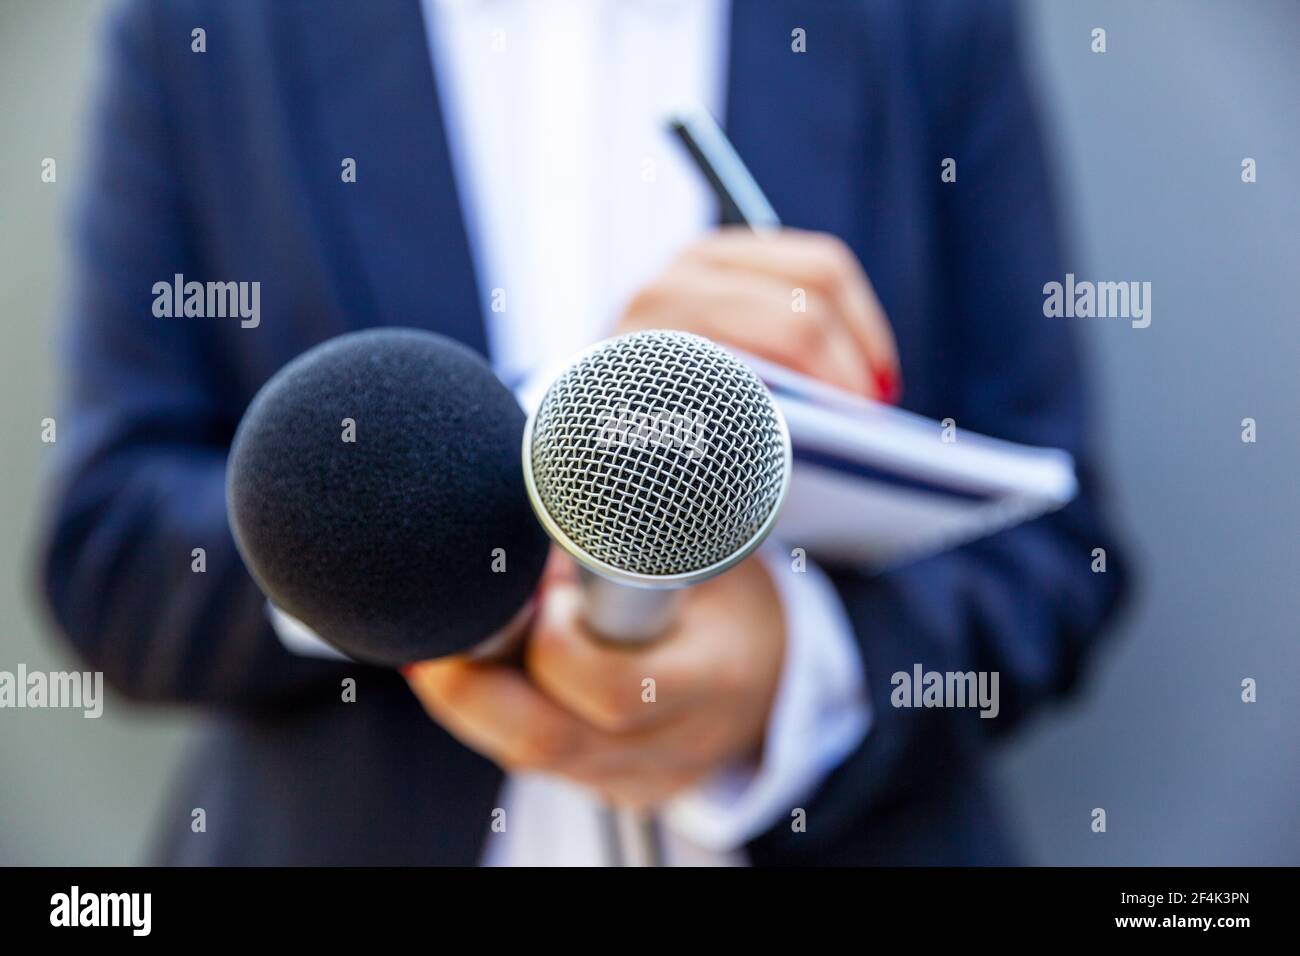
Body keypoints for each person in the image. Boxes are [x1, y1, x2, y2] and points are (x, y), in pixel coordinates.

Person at [38, 0, 1126, 865]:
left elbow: (1056, 545)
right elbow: (113, 558)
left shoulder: (925, 19)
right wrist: (503, 469)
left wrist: (798, 669)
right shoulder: (207, 28)